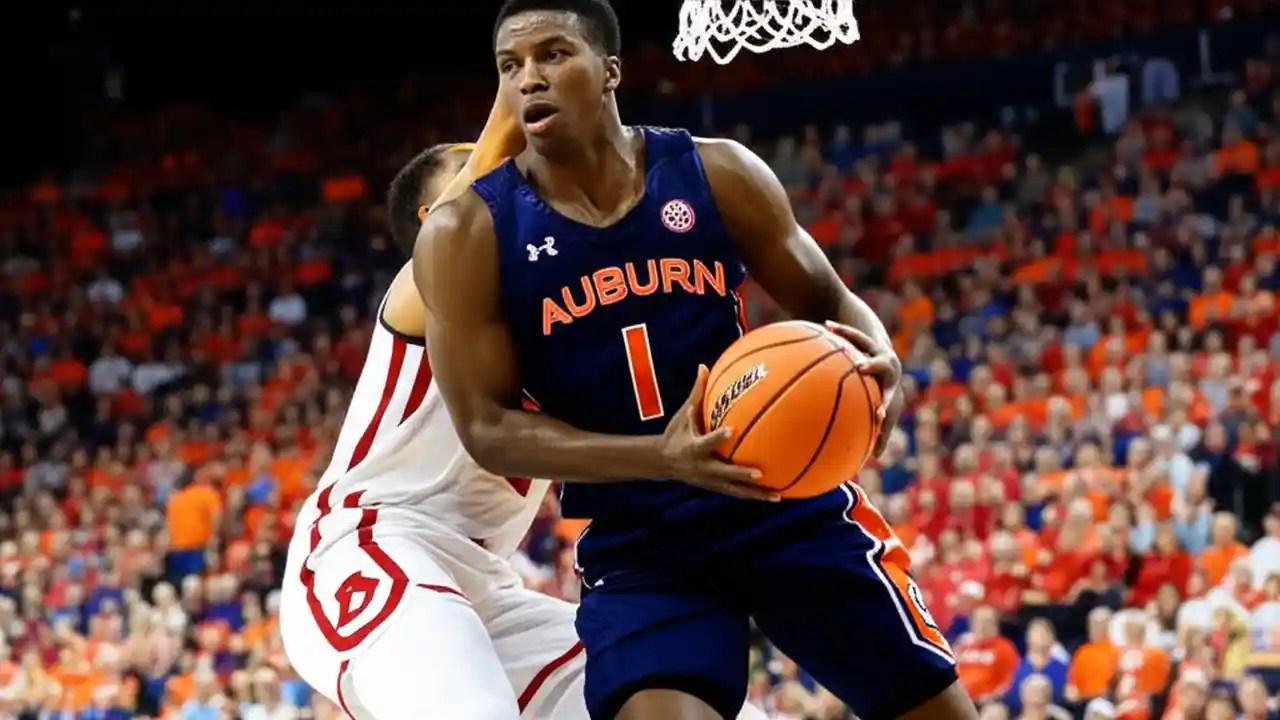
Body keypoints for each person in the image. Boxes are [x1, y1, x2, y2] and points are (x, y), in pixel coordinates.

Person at [413, 1, 977, 718]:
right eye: (510, 67)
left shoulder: (715, 171)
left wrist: (881, 358)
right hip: (642, 542)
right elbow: (486, 428)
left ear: (610, 69)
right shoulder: (469, 232)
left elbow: (831, 301)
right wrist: (664, 457)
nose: (529, 80)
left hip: (783, 500)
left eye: (553, 55)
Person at [281, 139, 767, 720]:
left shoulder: (557, 324)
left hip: (485, 587)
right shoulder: (426, 287)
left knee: (697, 707)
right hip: (365, 546)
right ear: (432, 219)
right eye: (477, 170)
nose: (507, 177)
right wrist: (545, 78)